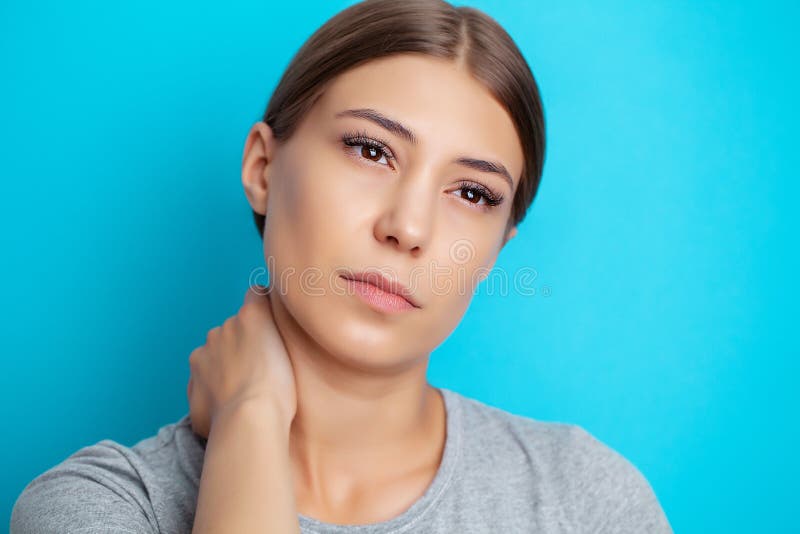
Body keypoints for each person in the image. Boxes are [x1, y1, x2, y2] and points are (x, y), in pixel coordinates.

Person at [10, 0, 673, 532]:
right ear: (262, 169)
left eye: (472, 194)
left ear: (499, 246)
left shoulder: (585, 502)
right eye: (370, 150)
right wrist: (251, 418)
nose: (408, 227)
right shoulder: (103, 508)